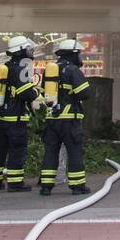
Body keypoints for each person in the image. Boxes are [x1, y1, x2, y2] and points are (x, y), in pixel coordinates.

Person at [39, 39, 91, 196]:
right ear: (73, 54)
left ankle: (46, 186)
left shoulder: (51, 70)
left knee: (50, 152)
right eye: (79, 54)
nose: (80, 57)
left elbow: (44, 92)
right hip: (69, 120)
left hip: (52, 120)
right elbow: (85, 93)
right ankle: (77, 186)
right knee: (74, 151)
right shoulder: (72, 70)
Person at [0, 35, 37, 192]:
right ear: (21, 51)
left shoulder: (7, 67)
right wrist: (38, 91)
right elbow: (27, 94)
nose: (31, 51)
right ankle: (15, 183)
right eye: (28, 49)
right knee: (17, 150)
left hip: (3, 118)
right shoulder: (20, 69)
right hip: (15, 119)